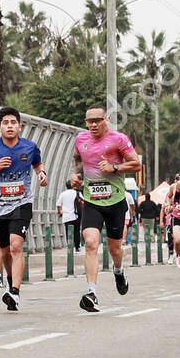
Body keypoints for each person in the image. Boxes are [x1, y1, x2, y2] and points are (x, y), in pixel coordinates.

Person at [0, 106, 48, 311]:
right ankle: (11, 279)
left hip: (22, 203)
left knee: (16, 246)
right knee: (4, 250)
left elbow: (38, 164)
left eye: (13, 122)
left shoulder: (29, 147)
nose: (10, 126)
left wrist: (42, 174)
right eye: (5, 123)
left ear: (20, 127)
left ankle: (14, 291)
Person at [71, 106, 142, 312]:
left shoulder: (119, 139)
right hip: (92, 201)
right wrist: (75, 174)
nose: (93, 124)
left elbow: (136, 164)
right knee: (91, 243)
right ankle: (91, 292)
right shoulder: (81, 139)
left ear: (107, 120)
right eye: (89, 121)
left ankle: (118, 271)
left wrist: (115, 168)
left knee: (114, 249)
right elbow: (77, 160)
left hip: (115, 201)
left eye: (97, 120)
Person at [57, 177, 82, 251]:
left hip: (66, 217)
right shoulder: (77, 193)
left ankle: (70, 247)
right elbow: (83, 201)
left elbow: (58, 205)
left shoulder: (63, 194)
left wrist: (60, 212)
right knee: (77, 231)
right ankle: (77, 247)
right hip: (76, 215)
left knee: (68, 232)